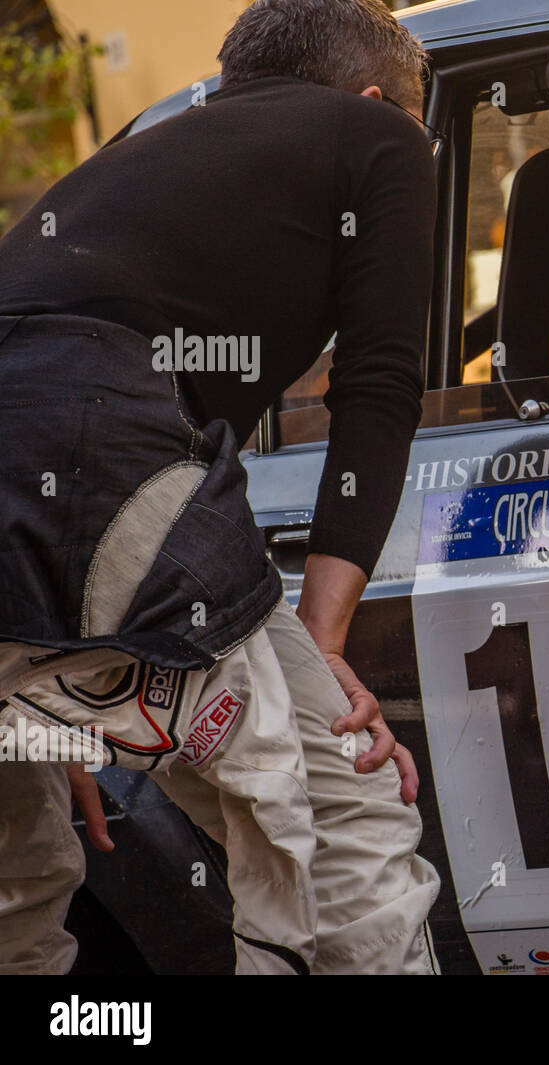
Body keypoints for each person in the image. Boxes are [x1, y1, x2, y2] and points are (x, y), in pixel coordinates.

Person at [0, 0, 439, 974]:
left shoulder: (127, 172)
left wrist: (43, 695)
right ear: (375, 98)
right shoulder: (377, 136)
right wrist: (325, 653)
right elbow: (378, 388)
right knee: (336, 840)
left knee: (17, 889)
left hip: (58, 508)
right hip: (97, 468)